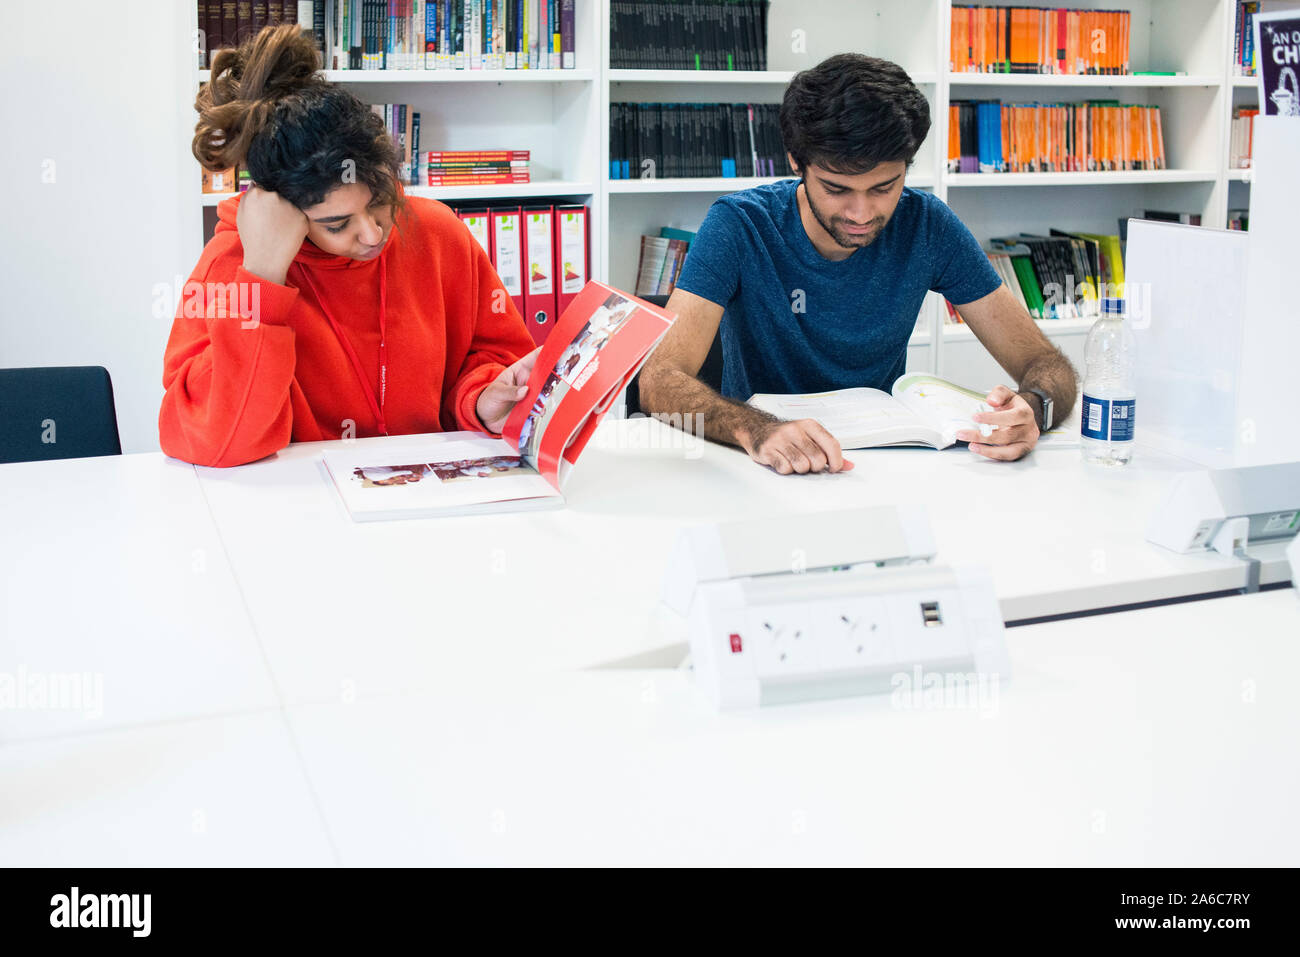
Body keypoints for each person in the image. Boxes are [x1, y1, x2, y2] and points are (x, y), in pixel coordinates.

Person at [638, 54, 1078, 474]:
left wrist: (1035, 408)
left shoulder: (927, 225)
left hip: (885, 466)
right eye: (837, 188)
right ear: (797, 162)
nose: (862, 213)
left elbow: (1047, 364)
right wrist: (756, 429)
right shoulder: (740, 225)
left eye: (884, 187)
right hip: (763, 469)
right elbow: (658, 381)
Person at [160, 24, 539, 467]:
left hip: (432, 501)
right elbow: (217, 441)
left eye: (379, 200)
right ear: (286, 213)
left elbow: (491, 356)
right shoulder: (231, 265)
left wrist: (483, 400)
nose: (373, 234)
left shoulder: (437, 232)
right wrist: (262, 279)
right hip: (300, 508)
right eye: (337, 224)